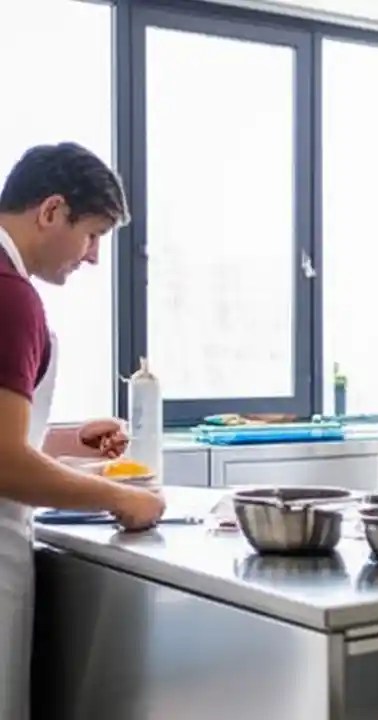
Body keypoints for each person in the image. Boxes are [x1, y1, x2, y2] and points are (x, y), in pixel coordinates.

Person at [0, 143, 166, 720]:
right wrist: (123, 497)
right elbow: (5, 465)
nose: (93, 257)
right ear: (50, 212)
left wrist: (68, 440)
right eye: (92, 234)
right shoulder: (11, 296)